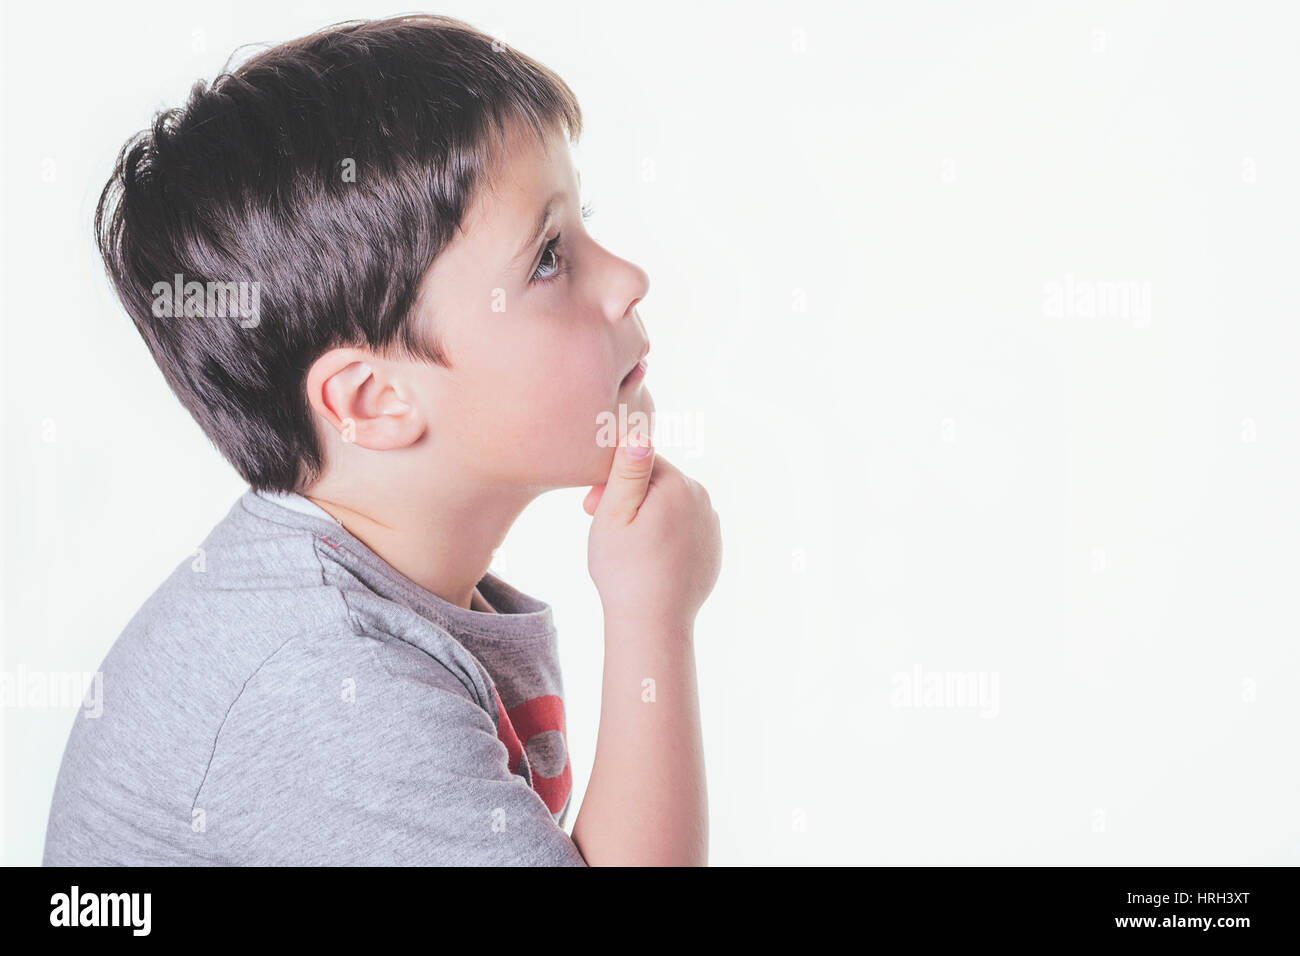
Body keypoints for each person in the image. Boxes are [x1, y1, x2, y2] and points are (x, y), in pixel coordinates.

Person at [43, 14, 721, 866]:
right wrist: (653, 615)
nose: (628, 280)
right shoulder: (324, 684)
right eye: (549, 257)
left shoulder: (378, 601)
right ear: (373, 399)